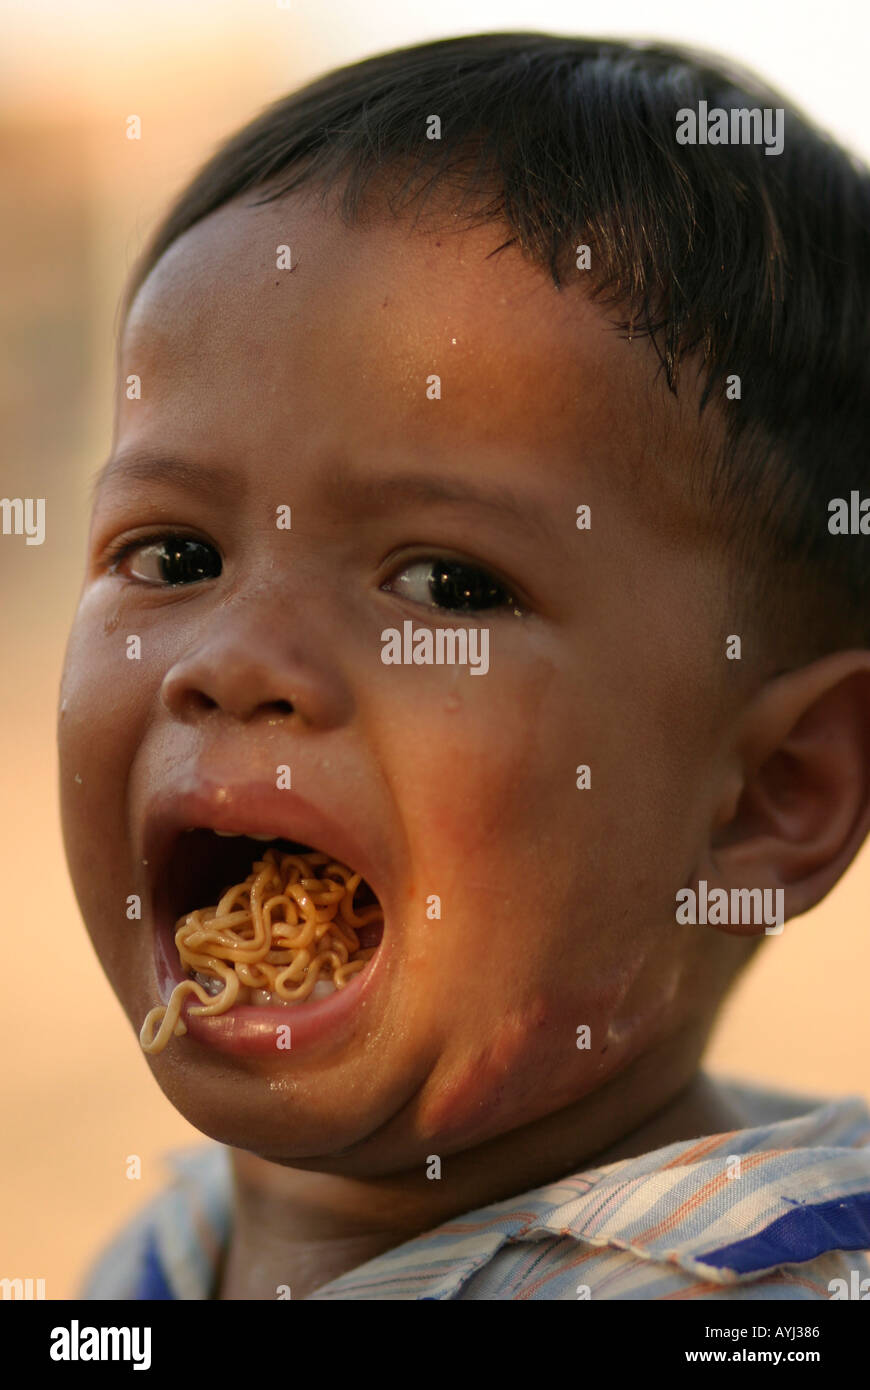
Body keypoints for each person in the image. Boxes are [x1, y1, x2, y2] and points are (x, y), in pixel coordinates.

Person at [60, 32, 870, 1300]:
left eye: (447, 584)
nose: (234, 658)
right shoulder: (157, 1261)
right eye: (171, 552)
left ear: (773, 789)